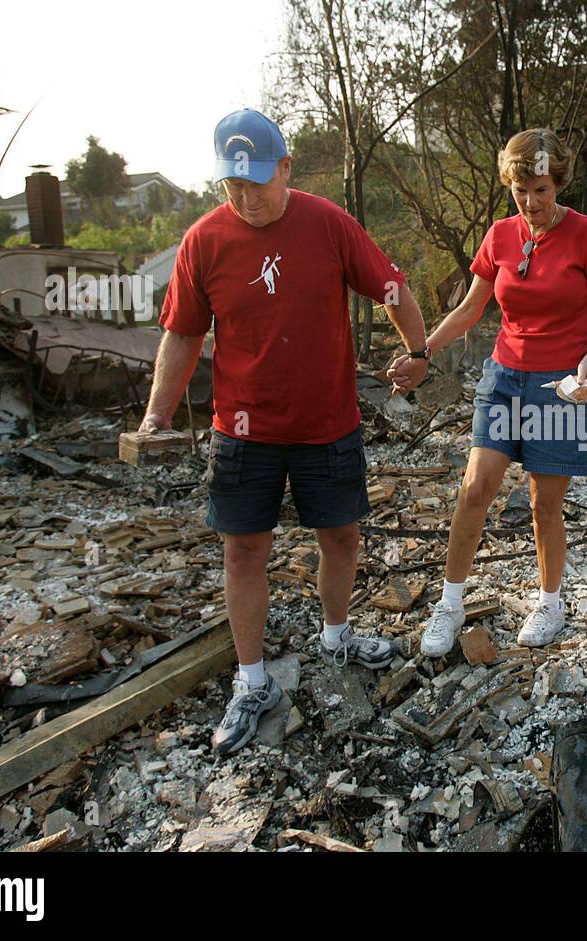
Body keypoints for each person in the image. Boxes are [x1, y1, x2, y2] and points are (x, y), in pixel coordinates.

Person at [141, 109, 429, 756]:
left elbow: (391, 286)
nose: (247, 197)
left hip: (329, 422)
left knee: (342, 534)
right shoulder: (203, 242)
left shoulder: (329, 224)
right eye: (233, 185)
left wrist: (420, 350)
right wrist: (157, 413)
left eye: (258, 182)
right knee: (243, 551)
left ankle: (336, 634)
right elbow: (182, 333)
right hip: (243, 431)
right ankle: (252, 681)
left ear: (286, 169)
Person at [388, 128, 587, 656]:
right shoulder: (499, 235)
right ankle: (449, 606)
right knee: (476, 488)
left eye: (541, 189)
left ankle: (551, 602)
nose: (531, 202)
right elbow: (472, 308)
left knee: (544, 504)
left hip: (563, 385)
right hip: (504, 378)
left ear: (557, 182)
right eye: (521, 191)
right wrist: (424, 351)